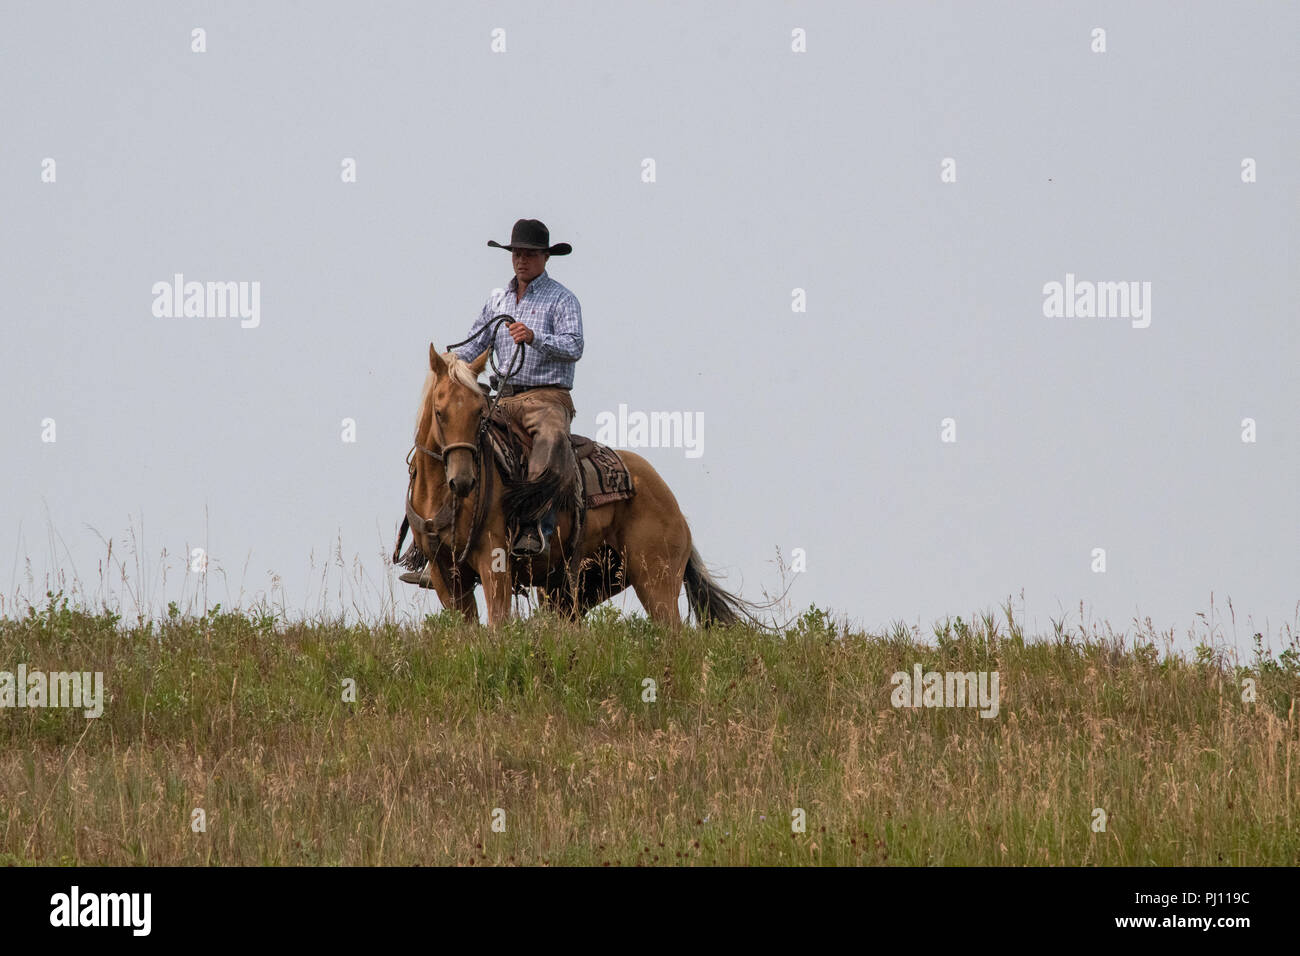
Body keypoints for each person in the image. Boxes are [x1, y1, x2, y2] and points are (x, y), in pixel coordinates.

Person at [453, 218, 584, 556]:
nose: (521, 260)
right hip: (502, 398)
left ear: (545, 257)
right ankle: (444, 531)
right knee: (457, 433)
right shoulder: (497, 301)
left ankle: (535, 524)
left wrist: (536, 337)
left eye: (529, 254)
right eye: (516, 254)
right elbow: (474, 345)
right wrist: (449, 363)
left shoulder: (562, 300)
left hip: (546, 398)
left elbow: (574, 346)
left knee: (551, 437)